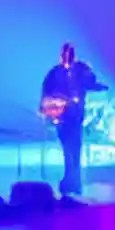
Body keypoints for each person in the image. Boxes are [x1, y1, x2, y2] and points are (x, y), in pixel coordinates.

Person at [41, 42, 107, 195]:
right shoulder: (54, 73)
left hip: (76, 116)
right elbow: (46, 92)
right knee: (68, 148)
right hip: (61, 117)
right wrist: (50, 108)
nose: (67, 59)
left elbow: (91, 83)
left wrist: (98, 86)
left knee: (74, 148)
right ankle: (70, 180)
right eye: (65, 55)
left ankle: (74, 182)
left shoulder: (81, 70)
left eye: (69, 55)